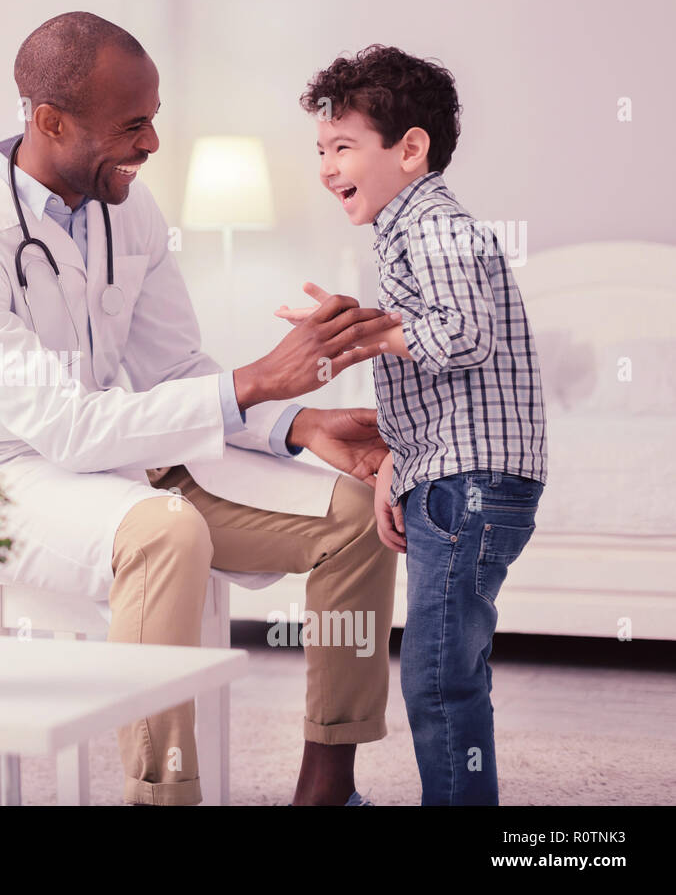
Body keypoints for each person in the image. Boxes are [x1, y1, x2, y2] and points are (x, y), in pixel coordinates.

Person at [0, 12, 401, 805]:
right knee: (167, 531)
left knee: (356, 516)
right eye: (132, 124)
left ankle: (328, 785)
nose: (152, 144)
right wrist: (255, 383)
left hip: (134, 456)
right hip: (11, 481)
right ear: (49, 121)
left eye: (154, 118)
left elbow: (173, 368)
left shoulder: (127, 210)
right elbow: (64, 429)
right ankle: (160, 796)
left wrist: (300, 425)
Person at [284, 44, 549, 804]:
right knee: (446, 673)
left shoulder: (432, 228)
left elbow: (464, 337)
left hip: (469, 485)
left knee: (438, 681)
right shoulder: (410, 230)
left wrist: (362, 331)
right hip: (451, 473)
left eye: (343, 147)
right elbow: (440, 377)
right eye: (321, 151)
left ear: (410, 149)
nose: (328, 167)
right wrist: (399, 463)